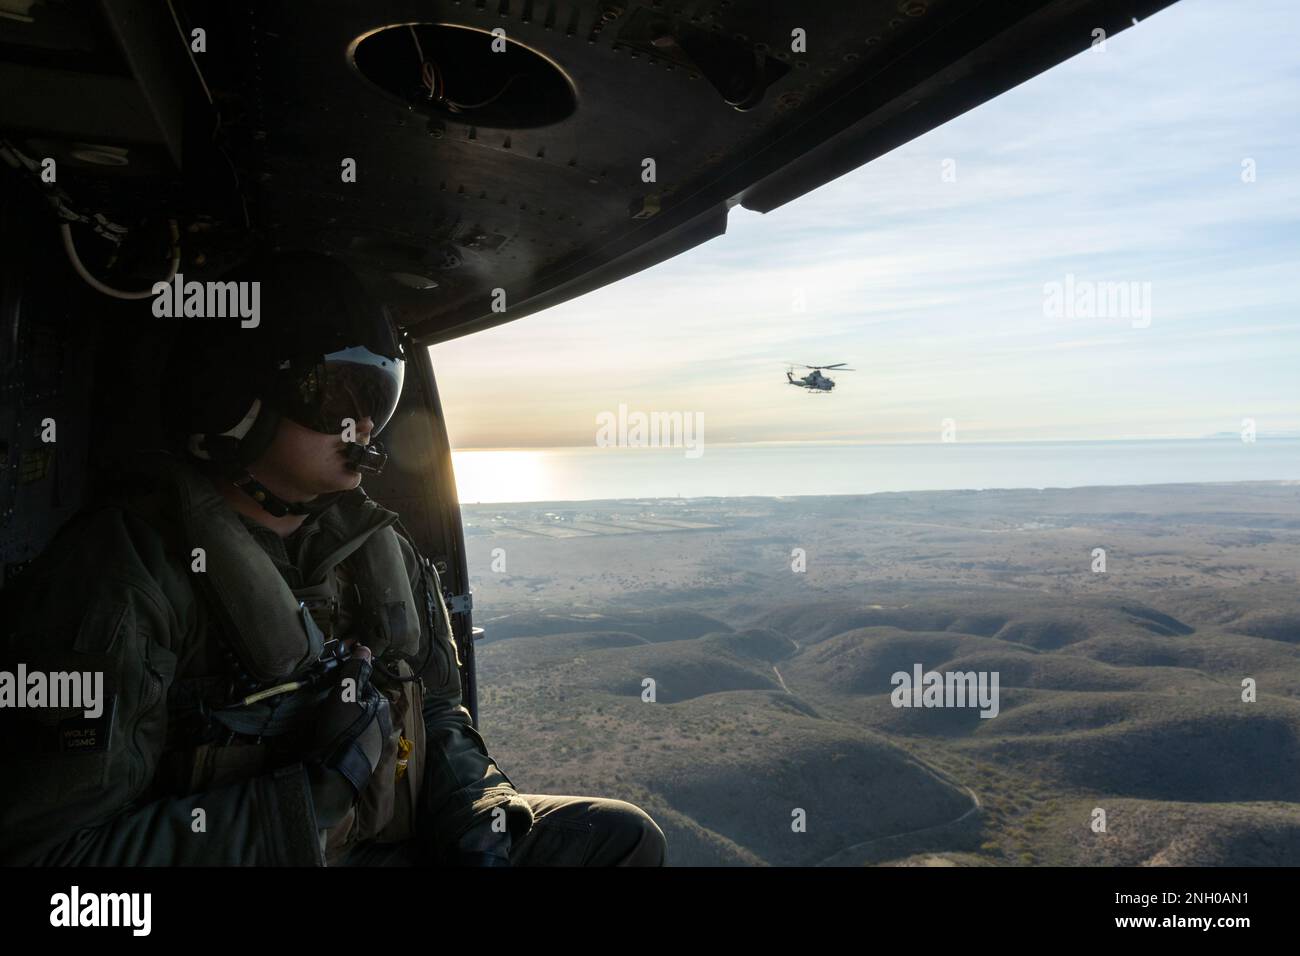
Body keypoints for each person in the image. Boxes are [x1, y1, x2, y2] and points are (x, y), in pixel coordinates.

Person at [0, 251, 667, 867]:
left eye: (379, 397)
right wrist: (309, 800)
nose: (366, 425)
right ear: (235, 396)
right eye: (337, 395)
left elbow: (435, 709)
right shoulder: (122, 575)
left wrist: (479, 813)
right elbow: (55, 861)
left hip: (388, 841)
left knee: (620, 840)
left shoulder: (376, 544)